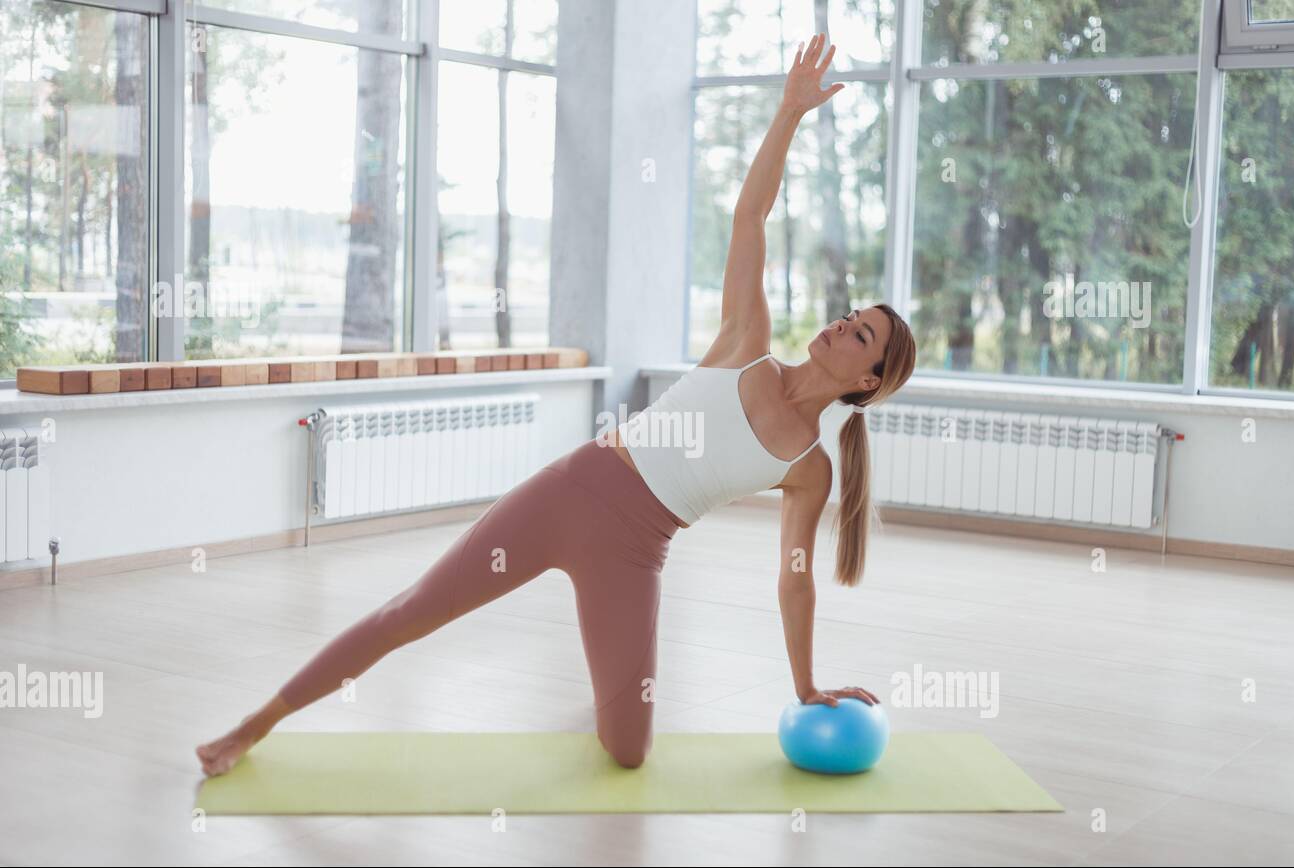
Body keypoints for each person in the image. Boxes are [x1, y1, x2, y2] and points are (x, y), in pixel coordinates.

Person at [197, 33, 916, 777]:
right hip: (572, 491)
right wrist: (790, 114)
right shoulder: (747, 341)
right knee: (410, 613)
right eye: (852, 313)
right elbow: (750, 220)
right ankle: (257, 723)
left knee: (628, 752)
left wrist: (805, 686)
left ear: (868, 381)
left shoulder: (810, 468)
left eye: (860, 333)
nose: (841, 322)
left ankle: (608, 694)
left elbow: (794, 577)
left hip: (637, 553)